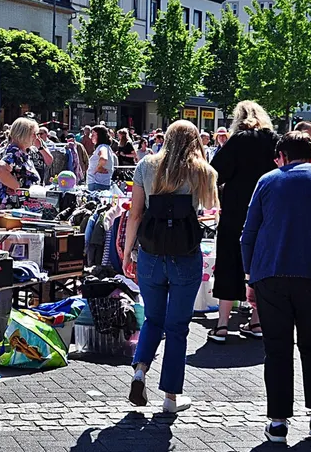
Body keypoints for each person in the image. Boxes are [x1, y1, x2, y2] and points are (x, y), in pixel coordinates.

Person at [242, 132, 311, 442]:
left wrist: (249, 276)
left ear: (281, 156)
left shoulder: (267, 180)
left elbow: (248, 233)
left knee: (277, 348)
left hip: (269, 273)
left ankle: (278, 422)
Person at [123, 120, 219, 414]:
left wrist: (127, 252)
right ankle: (170, 397)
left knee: (153, 319)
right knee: (177, 327)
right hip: (185, 253)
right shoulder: (202, 170)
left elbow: (135, 214)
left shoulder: (146, 165)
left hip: (151, 253)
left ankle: (140, 371)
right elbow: (210, 208)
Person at [209, 101, 279, 342]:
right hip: (266, 211)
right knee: (261, 264)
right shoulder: (274, 140)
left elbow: (215, 172)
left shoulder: (238, 140)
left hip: (236, 210)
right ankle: (256, 322)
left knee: (229, 262)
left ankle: (222, 325)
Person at [0, 118, 48, 207]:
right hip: (14, 205)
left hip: (20, 204)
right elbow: (0, 169)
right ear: (24, 134)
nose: (36, 137)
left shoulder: (21, 151)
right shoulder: (15, 151)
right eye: (34, 134)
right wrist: (16, 187)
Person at [87, 125, 115, 191]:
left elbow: (103, 159)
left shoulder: (102, 147)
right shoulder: (105, 147)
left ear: (99, 135)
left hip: (97, 183)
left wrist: (98, 168)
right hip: (100, 182)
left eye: (93, 134)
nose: (91, 136)